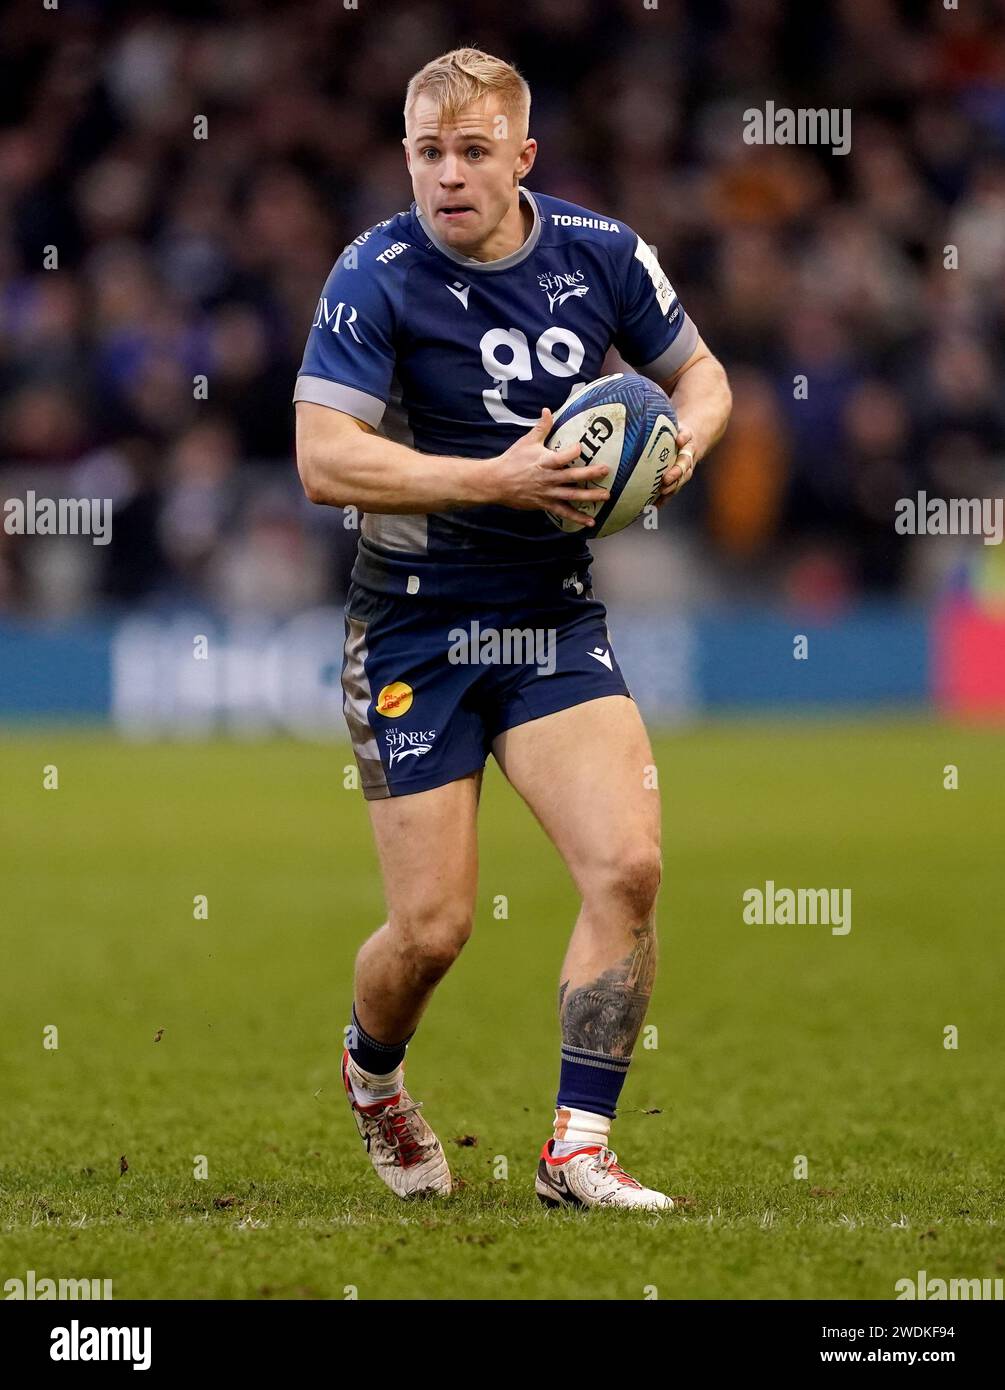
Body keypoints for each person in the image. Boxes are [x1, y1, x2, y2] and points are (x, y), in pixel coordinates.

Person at [294, 47, 731, 1209]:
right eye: (428, 152)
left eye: (473, 151)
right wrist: (499, 480)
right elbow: (321, 458)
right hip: (412, 632)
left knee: (628, 864)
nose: (447, 175)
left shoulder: (601, 253)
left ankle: (576, 1148)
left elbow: (704, 378)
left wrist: (682, 445)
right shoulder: (372, 272)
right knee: (432, 929)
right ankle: (374, 1075)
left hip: (548, 619)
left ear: (522, 156)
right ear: (406, 157)